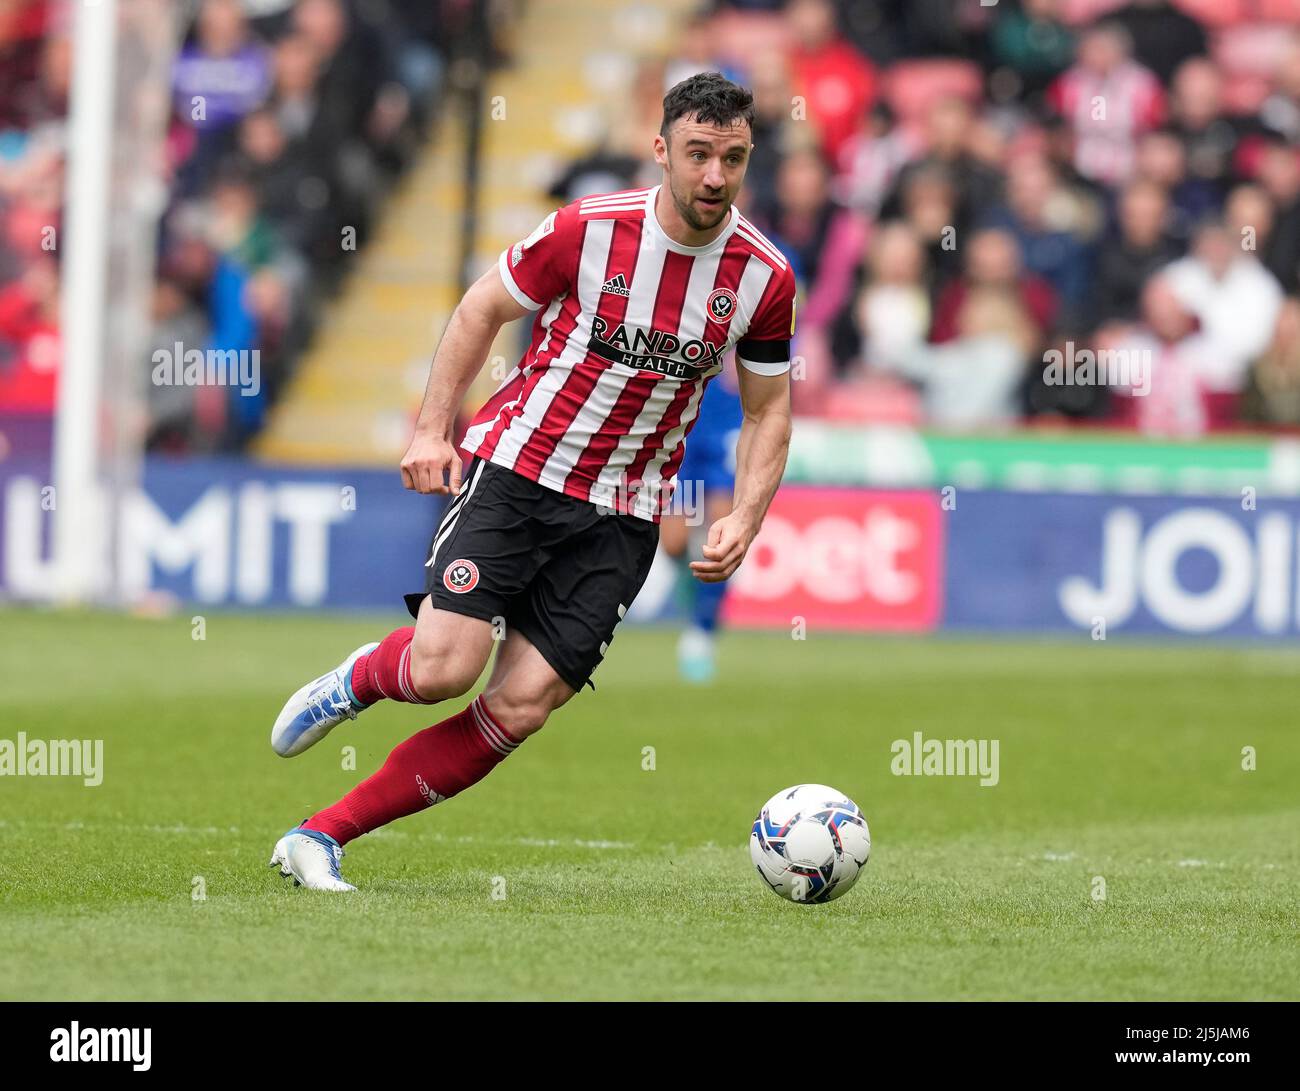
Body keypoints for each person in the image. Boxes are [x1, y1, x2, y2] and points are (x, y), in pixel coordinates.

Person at [266, 73, 796, 890]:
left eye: (733, 158)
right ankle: (359, 678)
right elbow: (483, 307)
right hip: (520, 467)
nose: (716, 177)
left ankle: (319, 836)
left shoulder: (764, 277)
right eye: (698, 154)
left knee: (517, 706)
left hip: (624, 513)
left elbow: (768, 408)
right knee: (445, 667)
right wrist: (432, 427)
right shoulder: (588, 230)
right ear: (661, 150)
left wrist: (749, 515)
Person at [660, 360, 745, 684]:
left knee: (719, 543)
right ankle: (692, 596)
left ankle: (702, 631)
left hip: (724, 456)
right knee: (674, 543)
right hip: (688, 451)